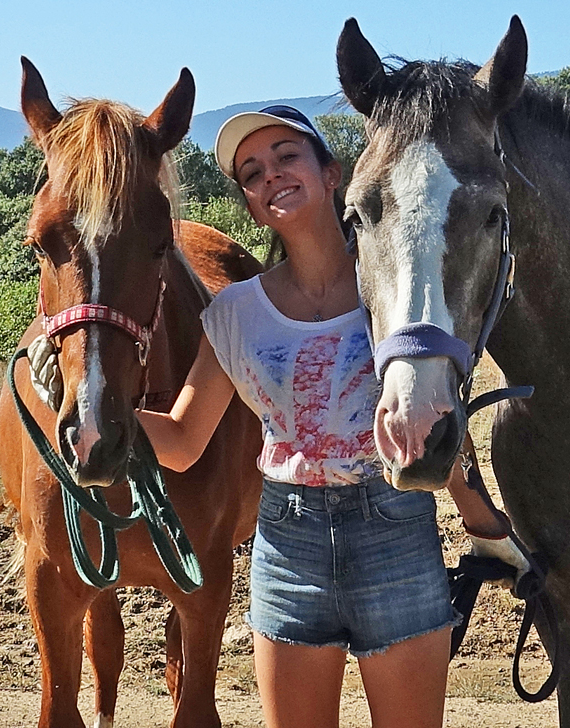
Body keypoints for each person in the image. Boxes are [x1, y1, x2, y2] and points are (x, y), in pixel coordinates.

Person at [138, 105, 528, 728]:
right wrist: (83, 414)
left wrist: (485, 525)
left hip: (394, 531)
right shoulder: (236, 313)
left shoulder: (401, 288)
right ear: (248, 201)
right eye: (252, 172)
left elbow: (432, 417)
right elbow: (184, 440)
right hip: (287, 545)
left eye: (287, 156)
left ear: (332, 173)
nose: (271, 175)